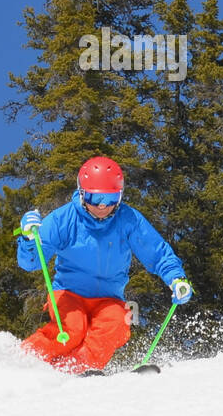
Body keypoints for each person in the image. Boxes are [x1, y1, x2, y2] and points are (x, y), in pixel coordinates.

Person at [16, 155, 192, 374]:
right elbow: (31, 262)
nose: (101, 206)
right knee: (73, 328)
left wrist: (176, 278)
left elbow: (156, 252)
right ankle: (23, 361)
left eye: (110, 199)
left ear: (119, 196)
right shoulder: (63, 219)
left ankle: (75, 370)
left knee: (116, 324)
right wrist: (28, 239)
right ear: (81, 193)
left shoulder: (128, 219)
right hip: (69, 293)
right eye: (93, 197)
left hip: (109, 299)